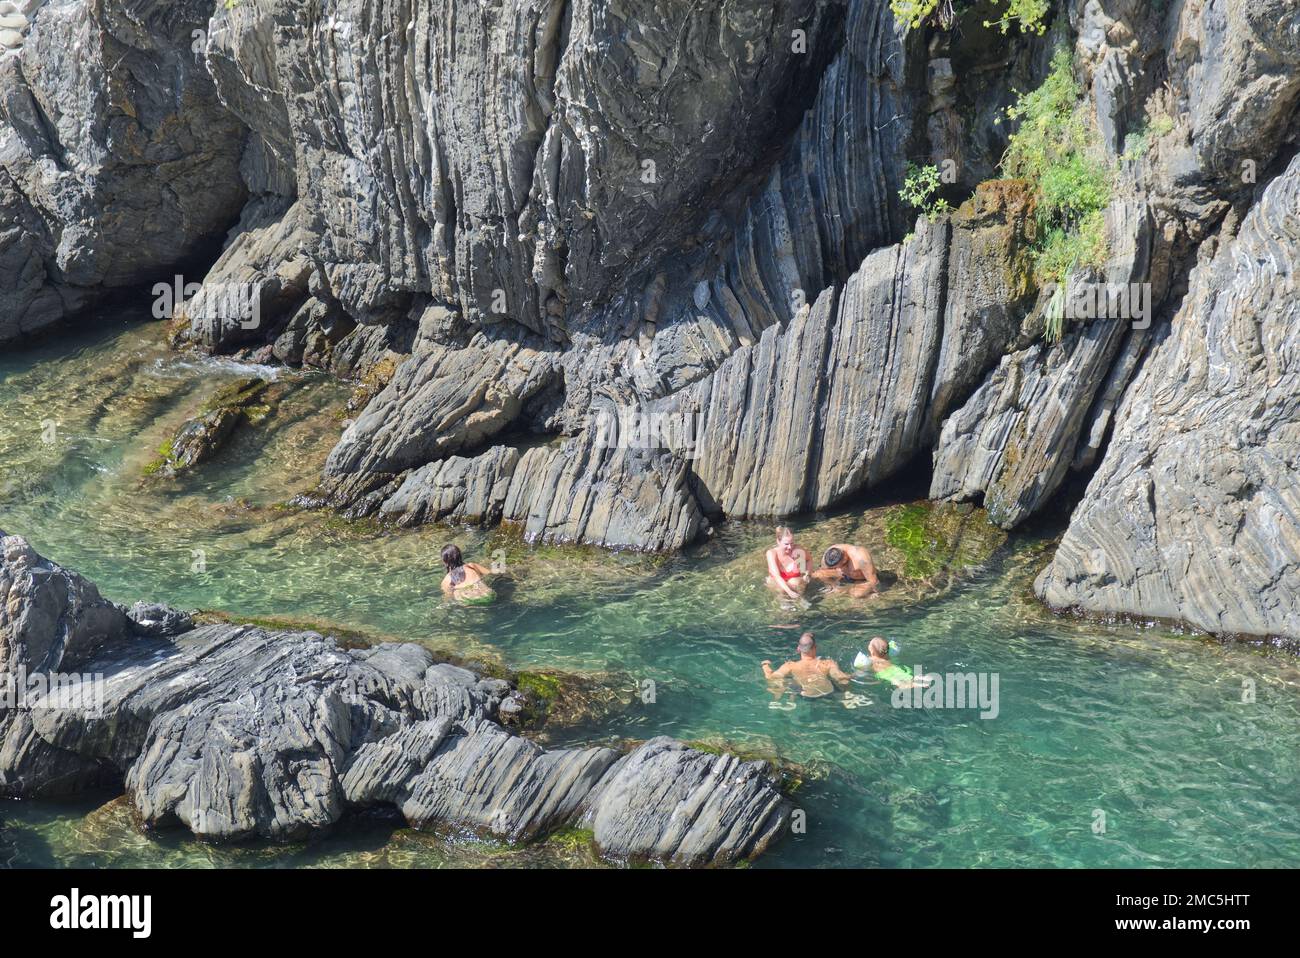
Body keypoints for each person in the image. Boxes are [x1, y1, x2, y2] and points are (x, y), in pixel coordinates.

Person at [761, 632, 853, 699]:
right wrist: (852, 675)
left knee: (789, 682)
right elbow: (839, 677)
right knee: (841, 683)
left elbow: (771, 677)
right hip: (827, 693)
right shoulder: (827, 663)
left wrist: (765, 665)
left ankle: (789, 698)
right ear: (815, 648)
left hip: (803, 694)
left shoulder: (790, 665)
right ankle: (846, 696)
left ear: (798, 649)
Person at [860, 636, 933, 689]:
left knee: (901, 685)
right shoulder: (888, 653)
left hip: (886, 673)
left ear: (872, 651)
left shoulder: (870, 660)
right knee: (907, 677)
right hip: (895, 668)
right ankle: (918, 678)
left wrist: (852, 675)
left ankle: (917, 684)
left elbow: (861, 670)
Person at [812, 543, 880, 597]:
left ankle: (844, 590)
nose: (840, 568)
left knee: (857, 594)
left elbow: (874, 581)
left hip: (860, 579)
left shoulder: (861, 558)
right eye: (835, 567)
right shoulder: (829, 555)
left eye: (842, 565)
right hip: (843, 576)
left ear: (845, 557)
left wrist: (872, 592)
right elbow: (823, 570)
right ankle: (834, 588)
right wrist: (832, 584)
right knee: (817, 574)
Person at [765, 526, 811, 599]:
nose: (790, 547)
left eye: (792, 543)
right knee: (782, 589)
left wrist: (808, 574)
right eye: (786, 544)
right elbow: (777, 576)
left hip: (794, 582)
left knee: (795, 582)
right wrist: (789, 592)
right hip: (777, 582)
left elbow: (808, 559)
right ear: (778, 541)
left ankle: (801, 600)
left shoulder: (797, 550)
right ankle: (785, 604)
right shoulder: (772, 553)